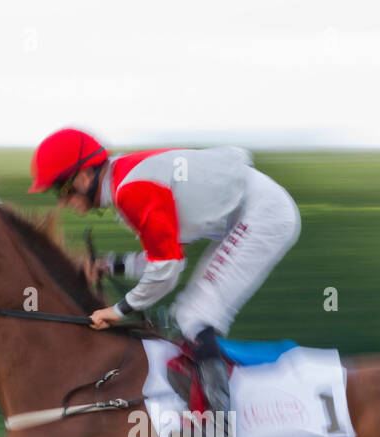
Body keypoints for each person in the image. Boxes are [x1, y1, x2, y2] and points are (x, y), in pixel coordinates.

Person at [28, 128, 301, 416]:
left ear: (83, 177)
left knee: (195, 315)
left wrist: (119, 309)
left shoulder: (130, 190)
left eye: (62, 189)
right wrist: (109, 264)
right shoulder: (123, 183)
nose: (62, 201)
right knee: (185, 315)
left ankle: (218, 422)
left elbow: (167, 269)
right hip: (248, 212)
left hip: (262, 213)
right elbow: (164, 259)